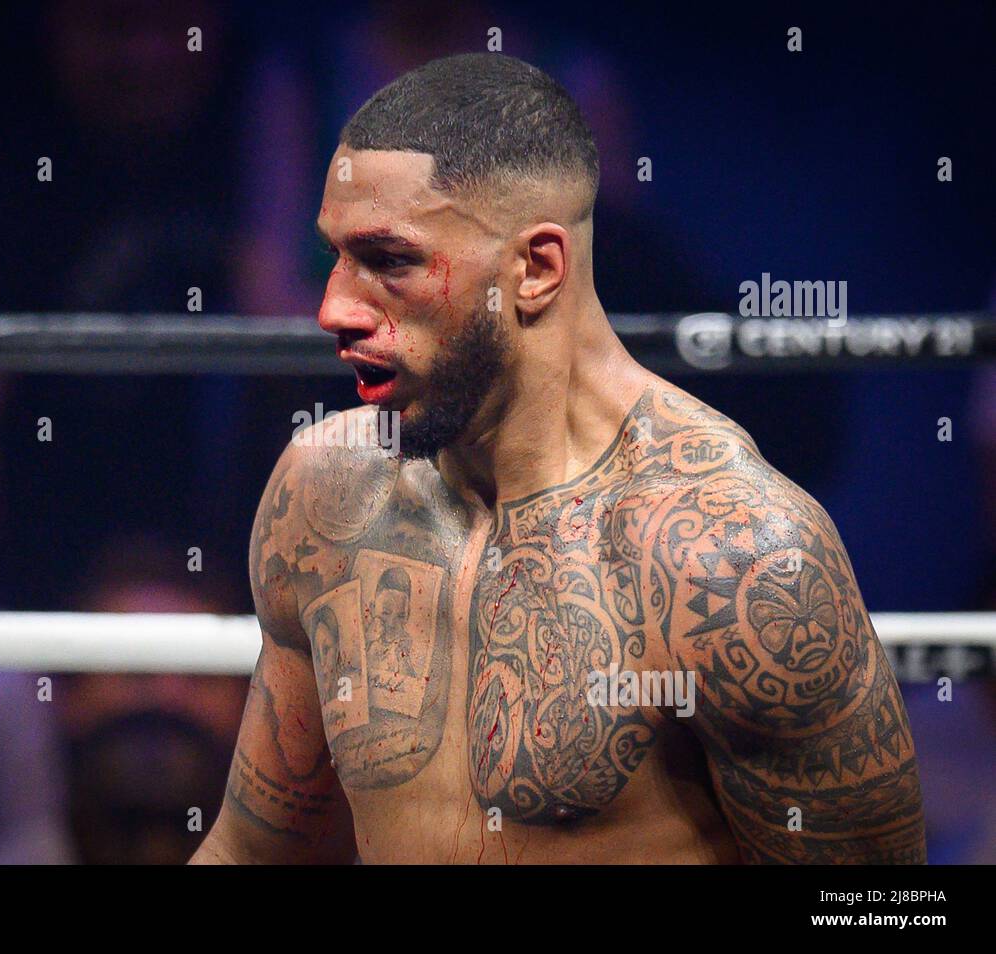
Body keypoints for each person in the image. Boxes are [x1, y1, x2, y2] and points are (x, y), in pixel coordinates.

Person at [191, 53, 924, 864]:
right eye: (333, 255)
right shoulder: (322, 492)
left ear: (536, 268)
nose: (332, 307)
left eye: (389, 260)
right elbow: (254, 851)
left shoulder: (737, 558)